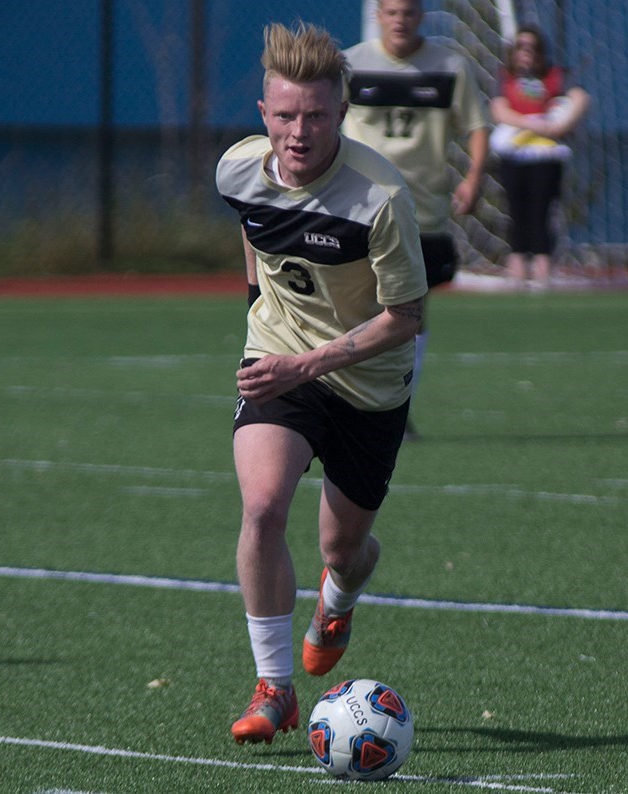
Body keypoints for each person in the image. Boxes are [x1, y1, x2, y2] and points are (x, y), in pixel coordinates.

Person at [215, 21, 428, 746]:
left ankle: (338, 600)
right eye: (285, 116)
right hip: (279, 362)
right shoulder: (237, 169)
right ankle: (273, 687)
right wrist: (261, 316)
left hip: (370, 384)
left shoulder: (380, 198)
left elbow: (408, 316)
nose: (298, 133)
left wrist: (306, 362)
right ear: (263, 114)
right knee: (264, 506)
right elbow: (253, 223)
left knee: (344, 548)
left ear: (341, 112)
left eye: (314, 116)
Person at [342, 0, 490, 439]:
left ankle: (396, 410)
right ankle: (346, 405)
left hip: (422, 214)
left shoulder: (448, 66)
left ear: (420, 15)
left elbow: (477, 126)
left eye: (407, 12)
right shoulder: (351, 64)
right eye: (391, 12)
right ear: (379, 16)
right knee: (352, 306)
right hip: (357, 212)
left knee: (410, 313)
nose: (399, 20)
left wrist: (474, 177)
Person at [489, 24, 589, 288]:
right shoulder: (504, 79)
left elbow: (579, 98)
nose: (526, 53)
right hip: (515, 153)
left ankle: (543, 268)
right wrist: (533, 124)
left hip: (545, 156)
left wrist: (559, 125)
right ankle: (517, 267)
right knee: (516, 210)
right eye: (521, 47)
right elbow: (499, 111)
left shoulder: (554, 77)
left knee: (542, 211)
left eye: (532, 48)